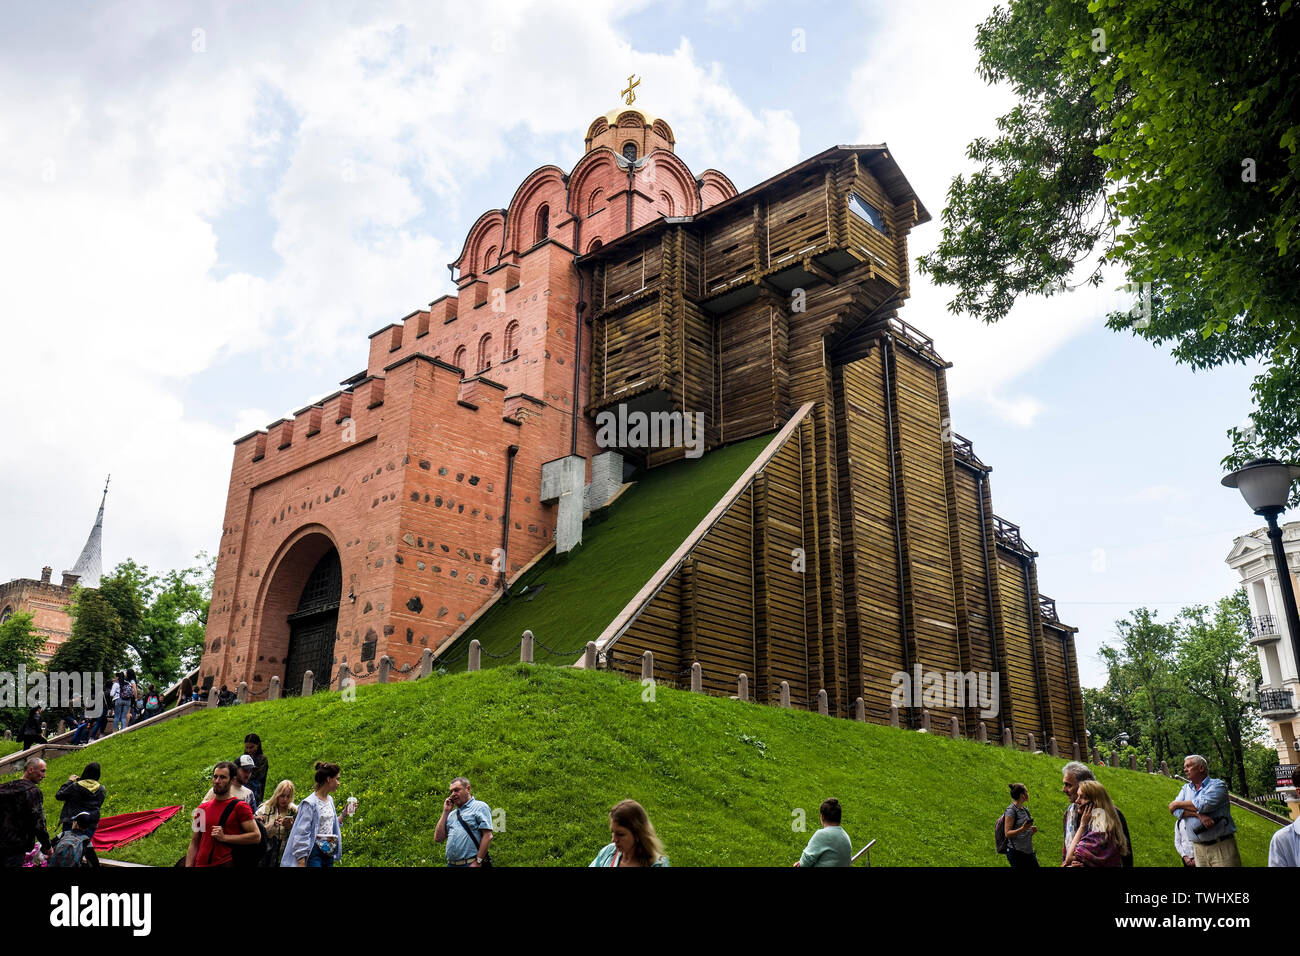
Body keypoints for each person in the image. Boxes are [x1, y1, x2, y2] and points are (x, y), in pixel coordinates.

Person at [1169, 753, 1240, 867]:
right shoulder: (1186, 789)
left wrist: (1176, 804)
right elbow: (1176, 811)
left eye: (1189, 766)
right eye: (1184, 767)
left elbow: (1203, 805)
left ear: (1201, 768)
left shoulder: (1217, 786)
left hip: (1221, 847)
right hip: (1198, 849)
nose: (1185, 770)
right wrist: (1198, 815)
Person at [185, 762, 260, 867]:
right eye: (215, 777)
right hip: (200, 863)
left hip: (225, 862)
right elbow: (194, 842)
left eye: (222, 777)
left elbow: (256, 836)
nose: (217, 781)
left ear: (232, 780)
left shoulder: (240, 807)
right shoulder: (201, 809)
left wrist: (225, 838)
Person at [1061, 761, 1133, 866]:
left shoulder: (1105, 815)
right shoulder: (1070, 813)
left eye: (1068, 785)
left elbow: (1121, 855)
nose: (1063, 790)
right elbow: (1067, 854)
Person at [282, 762, 353, 867]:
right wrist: (301, 859)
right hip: (314, 852)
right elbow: (302, 832)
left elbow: (329, 824)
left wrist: (344, 814)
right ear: (328, 779)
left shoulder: (330, 800)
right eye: (337, 779)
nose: (338, 783)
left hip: (329, 850)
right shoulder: (310, 803)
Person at [0, 757, 52, 866]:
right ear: (30, 770)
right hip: (16, 847)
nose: (44, 775)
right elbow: (38, 822)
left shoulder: (5, 788)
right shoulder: (32, 792)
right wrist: (47, 845)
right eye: (42, 771)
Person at [55, 762, 106, 868]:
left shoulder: (75, 786)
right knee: (84, 848)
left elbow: (59, 795)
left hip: (72, 822)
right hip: (90, 823)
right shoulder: (101, 789)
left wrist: (69, 781)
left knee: (68, 850)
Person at [590, 798, 668, 867]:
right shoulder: (608, 853)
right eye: (612, 832)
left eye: (620, 834)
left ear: (637, 834)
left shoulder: (658, 864)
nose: (614, 839)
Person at [436, 776, 493, 867]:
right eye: (451, 792)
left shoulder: (480, 807)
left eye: (456, 790)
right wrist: (445, 811)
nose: (453, 794)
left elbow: (488, 836)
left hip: (470, 864)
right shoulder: (451, 814)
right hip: (451, 864)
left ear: (468, 789)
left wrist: (478, 862)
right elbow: (438, 838)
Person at [255, 780, 297, 867]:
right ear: (277, 794)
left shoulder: (295, 810)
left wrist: (291, 827)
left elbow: (301, 834)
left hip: (286, 852)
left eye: (288, 796)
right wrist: (272, 825)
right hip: (266, 852)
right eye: (282, 796)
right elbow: (255, 831)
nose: (285, 799)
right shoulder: (265, 808)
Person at [1002, 783, 1039, 867]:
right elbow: (1007, 833)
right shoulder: (1011, 811)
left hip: (1028, 852)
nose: (1028, 794)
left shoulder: (1024, 810)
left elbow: (1022, 833)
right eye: (1026, 792)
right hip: (1016, 853)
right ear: (1022, 795)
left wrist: (1030, 831)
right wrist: (1023, 828)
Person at [243, 734, 269, 804]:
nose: (248, 750)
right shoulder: (243, 758)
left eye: (251, 747)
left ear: (258, 745)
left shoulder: (262, 759)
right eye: (246, 747)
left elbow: (259, 776)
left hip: (256, 792)